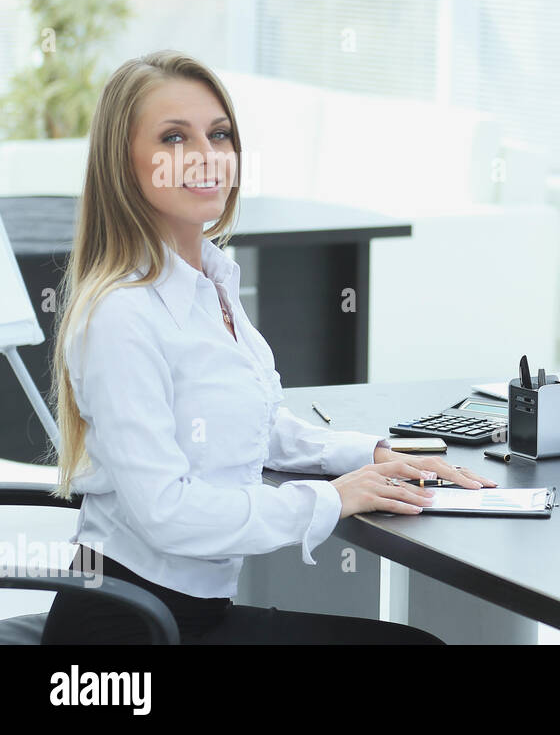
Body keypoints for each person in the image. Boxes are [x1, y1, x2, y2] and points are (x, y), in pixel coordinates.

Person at [41, 50, 496, 643]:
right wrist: (329, 499)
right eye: (174, 138)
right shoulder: (121, 316)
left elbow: (251, 424)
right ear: (123, 165)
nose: (206, 157)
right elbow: (167, 513)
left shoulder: (213, 283)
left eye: (220, 134)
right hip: (124, 632)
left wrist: (370, 453)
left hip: (193, 616)